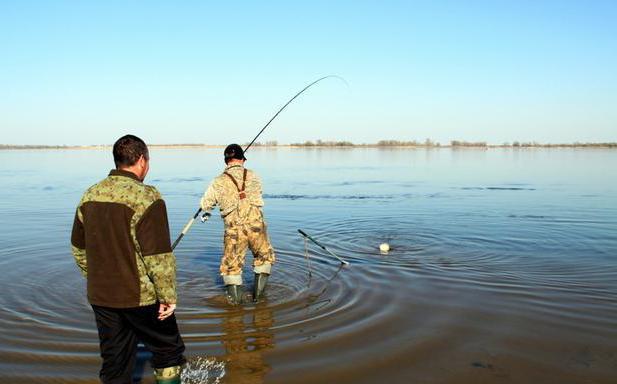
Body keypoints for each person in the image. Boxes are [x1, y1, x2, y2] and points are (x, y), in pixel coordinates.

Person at [70, 134, 185, 384]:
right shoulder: (148, 197)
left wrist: (97, 278)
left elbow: (78, 248)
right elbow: (158, 256)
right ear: (142, 160)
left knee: (115, 363)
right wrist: (168, 296)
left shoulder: (89, 195)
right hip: (141, 297)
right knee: (168, 352)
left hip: (101, 297)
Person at [200, 144, 275, 304]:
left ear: (226, 161)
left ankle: (235, 307)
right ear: (243, 159)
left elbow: (206, 203)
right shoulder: (254, 176)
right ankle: (258, 299)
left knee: (231, 267)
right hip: (256, 226)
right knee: (264, 258)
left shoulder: (218, 181)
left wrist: (206, 211)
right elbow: (258, 192)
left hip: (234, 230)